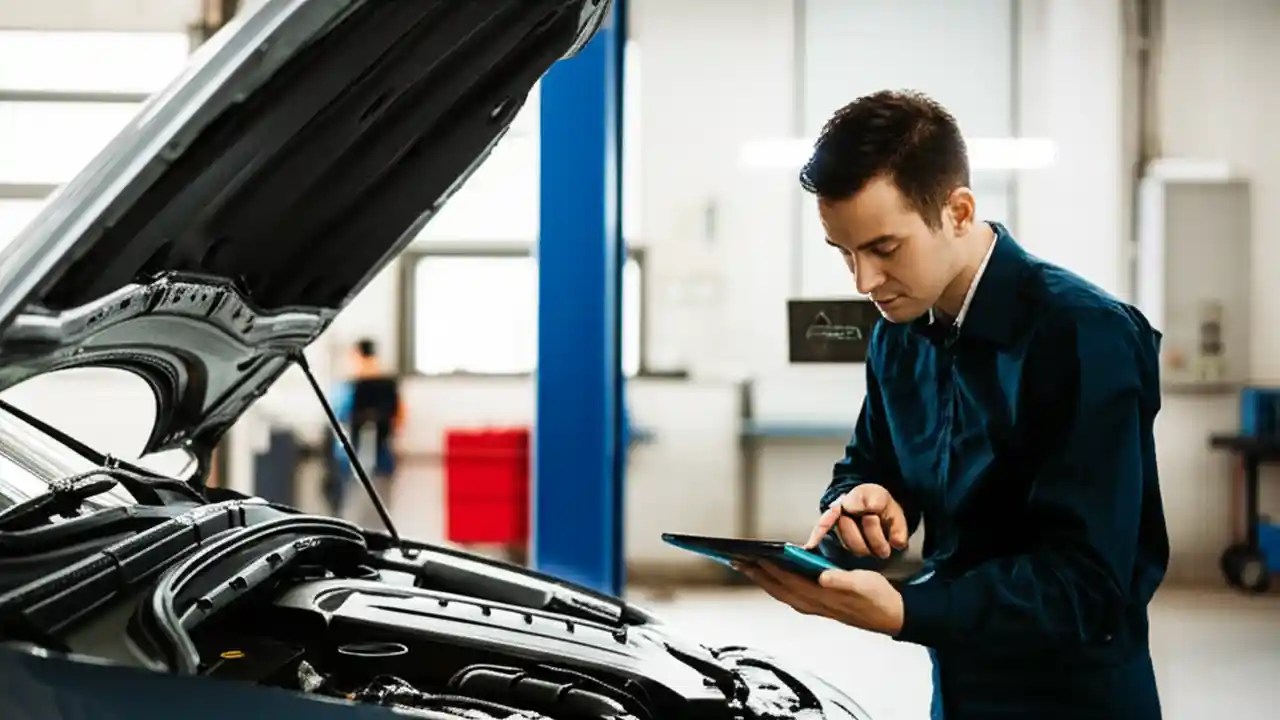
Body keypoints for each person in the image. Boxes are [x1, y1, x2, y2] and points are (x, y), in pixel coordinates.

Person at [733, 90, 1169, 719]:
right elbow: (868, 463)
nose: (864, 283)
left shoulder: (1083, 335)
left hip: (1078, 695)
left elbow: (1087, 585)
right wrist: (863, 503)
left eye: (884, 248)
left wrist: (909, 609)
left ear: (958, 211)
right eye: (844, 253)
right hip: (961, 681)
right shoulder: (898, 331)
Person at [325, 338, 404, 521]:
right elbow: (399, 414)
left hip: (354, 455)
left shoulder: (352, 384)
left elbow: (340, 414)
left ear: (358, 353)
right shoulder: (388, 382)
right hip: (381, 456)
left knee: (353, 505)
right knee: (379, 507)